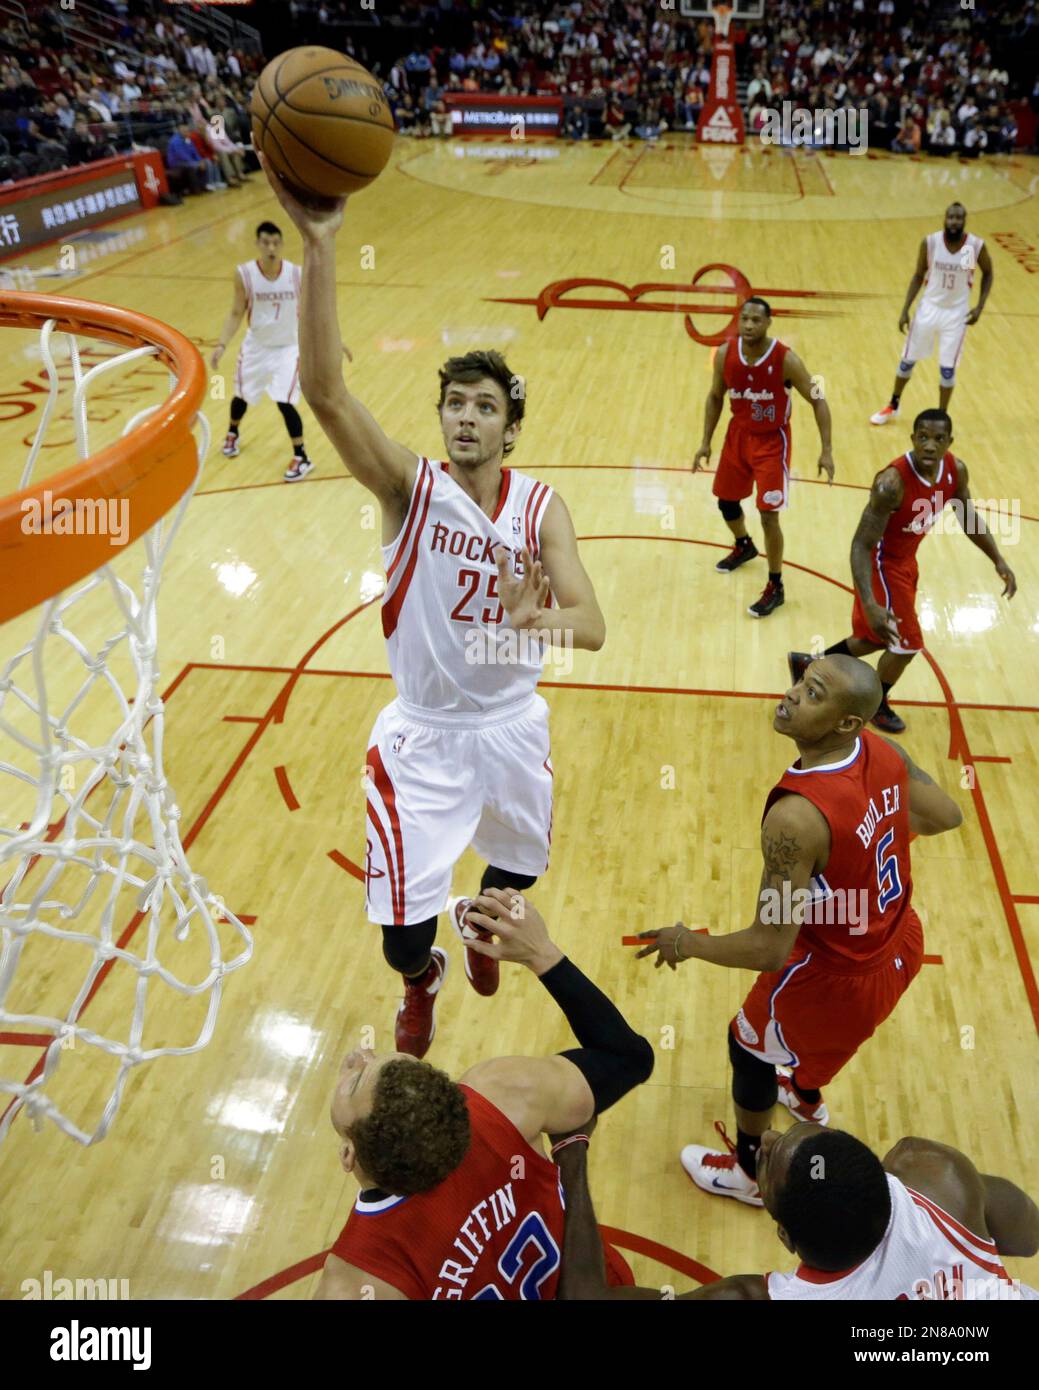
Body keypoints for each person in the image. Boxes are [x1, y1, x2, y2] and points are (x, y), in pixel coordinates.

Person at [258, 155, 606, 1058]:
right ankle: (426, 976)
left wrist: (535, 622)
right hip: (422, 740)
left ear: (509, 427)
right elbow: (326, 391)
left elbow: (592, 626)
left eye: (483, 406)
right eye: (453, 403)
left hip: (512, 726)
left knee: (517, 872)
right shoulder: (408, 493)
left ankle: (481, 929)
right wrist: (321, 241)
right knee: (399, 938)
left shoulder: (540, 508)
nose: (464, 418)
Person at [635, 654, 963, 1205]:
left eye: (813, 694)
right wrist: (864, 838)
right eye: (800, 683)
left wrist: (684, 942)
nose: (790, 696)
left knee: (748, 1048)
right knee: (818, 1043)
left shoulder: (794, 818)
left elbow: (768, 947)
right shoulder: (885, 751)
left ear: (846, 723)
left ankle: (749, 1173)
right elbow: (944, 815)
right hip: (898, 942)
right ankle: (806, 1098)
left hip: (829, 975)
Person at [316, 891, 653, 1298]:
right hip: (597, 1279)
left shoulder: (355, 1283)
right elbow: (627, 1057)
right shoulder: (501, 1095)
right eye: (360, 1070)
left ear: (348, 1154)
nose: (359, 1053)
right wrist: (542, 954)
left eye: (358, 1073)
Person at [553, 1121, 1039, 1299]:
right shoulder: (937, 1175)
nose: (764, 1136)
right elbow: (1027, 1236)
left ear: (786, 1237)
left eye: (765, 1160)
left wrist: (572, 1150)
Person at [790, 410, 1017, 732]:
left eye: (938, 439)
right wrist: (869, 602)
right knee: (906, 643)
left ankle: (809, 663)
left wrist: (998, 559)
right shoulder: (891, 484)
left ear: (949, 443)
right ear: (912, 439)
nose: (929, 445)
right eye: (922, 437)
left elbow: (967, 516)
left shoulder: (955, 471)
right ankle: (877, 704)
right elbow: (860, 545)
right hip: (882, 564)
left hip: (907, 562)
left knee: (874, 637)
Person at [692, 297, 835, 619]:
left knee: (769, 515)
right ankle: (744, 545)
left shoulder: (786, 360)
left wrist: (826, 450)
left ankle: (776, 585)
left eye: (756, 320)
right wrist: (705, 442)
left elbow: (818, 400)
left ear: (769, 323)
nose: (749, 325)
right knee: (726, 502)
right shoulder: (726, 354)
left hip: (772, 443)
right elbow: (715, 396)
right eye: (744, 319)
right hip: (737, 437)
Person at [210, 221, 316, 482]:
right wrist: (222, 343)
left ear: (281, 244)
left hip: (288, 348)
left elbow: (311, 312)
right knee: (242, 394)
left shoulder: (295, 274)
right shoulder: (245, 273)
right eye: (266, 242)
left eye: (275, 242)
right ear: (258, 244)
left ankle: (301, 456)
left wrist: (334, 341)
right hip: (256, 346)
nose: (271, 247)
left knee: (284, 399)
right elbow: (236, 311)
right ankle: (233, 432)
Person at [870, 203, 993, 425]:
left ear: (964, 220)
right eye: (951, 217)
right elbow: (918, 275)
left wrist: (980, 307)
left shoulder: (971, 246)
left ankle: (941, 415)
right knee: (907, 361)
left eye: (959, 218)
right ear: (944, 218)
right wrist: (905, 309)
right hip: (928, 310)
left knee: (947, 370)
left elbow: (986, 274)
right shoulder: (932, 242)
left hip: (956, 315)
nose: (954, 221)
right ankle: (893, 405)